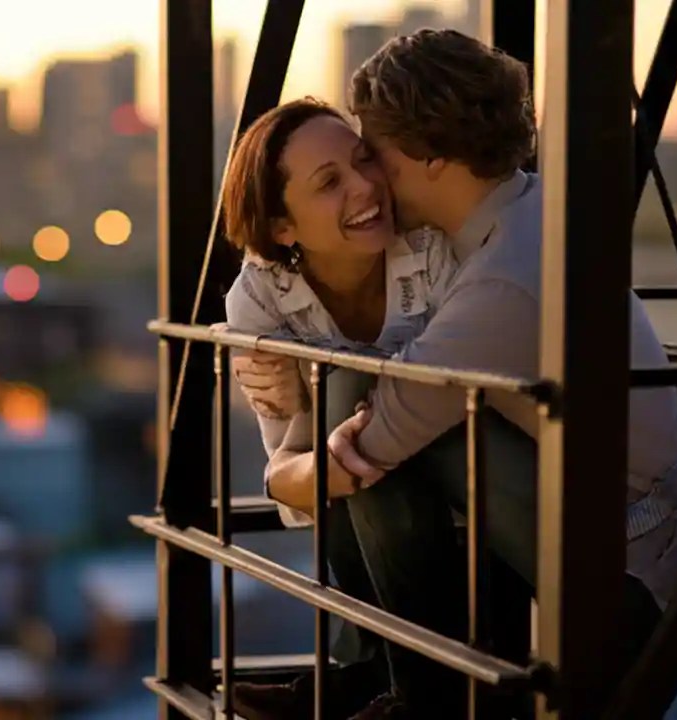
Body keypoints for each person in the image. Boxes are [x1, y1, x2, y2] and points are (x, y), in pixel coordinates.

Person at [240, 29, 677, 719]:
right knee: (372, 392)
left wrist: (297, 443)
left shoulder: (503, 280)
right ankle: (381, 674)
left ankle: (429, 694)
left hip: (633, 573)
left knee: (380, 406)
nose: (372, 176)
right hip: (618, 527)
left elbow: (381, 437)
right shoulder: (515, 221)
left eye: (373, 153)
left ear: (430, 155)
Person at [218, 96, 460, 719]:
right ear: (282, 228)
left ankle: (382, 684)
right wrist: (337, 460)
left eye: (363, 161)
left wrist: (346, 432)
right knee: (351, 420)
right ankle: (385, 682)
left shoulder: (434, 250)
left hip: (469, 482)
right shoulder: (260, 300)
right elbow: (288, 473)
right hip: (373, 507)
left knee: (356, 403)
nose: (366, 187)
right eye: (330, 182)